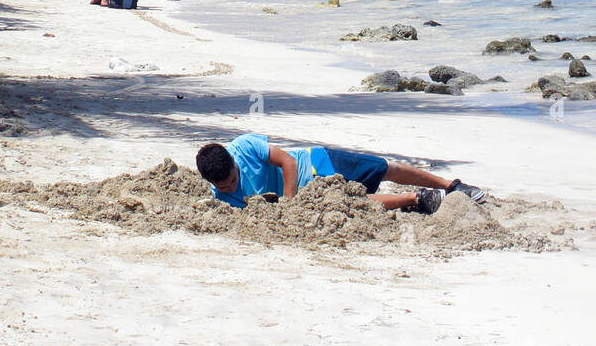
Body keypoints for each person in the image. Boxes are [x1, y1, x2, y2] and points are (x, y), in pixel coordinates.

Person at [195, 135, 486, 215]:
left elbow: (287, 163)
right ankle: (418, 199)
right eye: (226, 186)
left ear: (233, 162)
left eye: (234, 178)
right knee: (354, 200)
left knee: (384, 168)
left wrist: (288, 201)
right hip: (315, 193)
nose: (234, 186)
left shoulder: (244, 146)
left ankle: (451, 185)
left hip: (315, 161)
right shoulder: (221, 195)